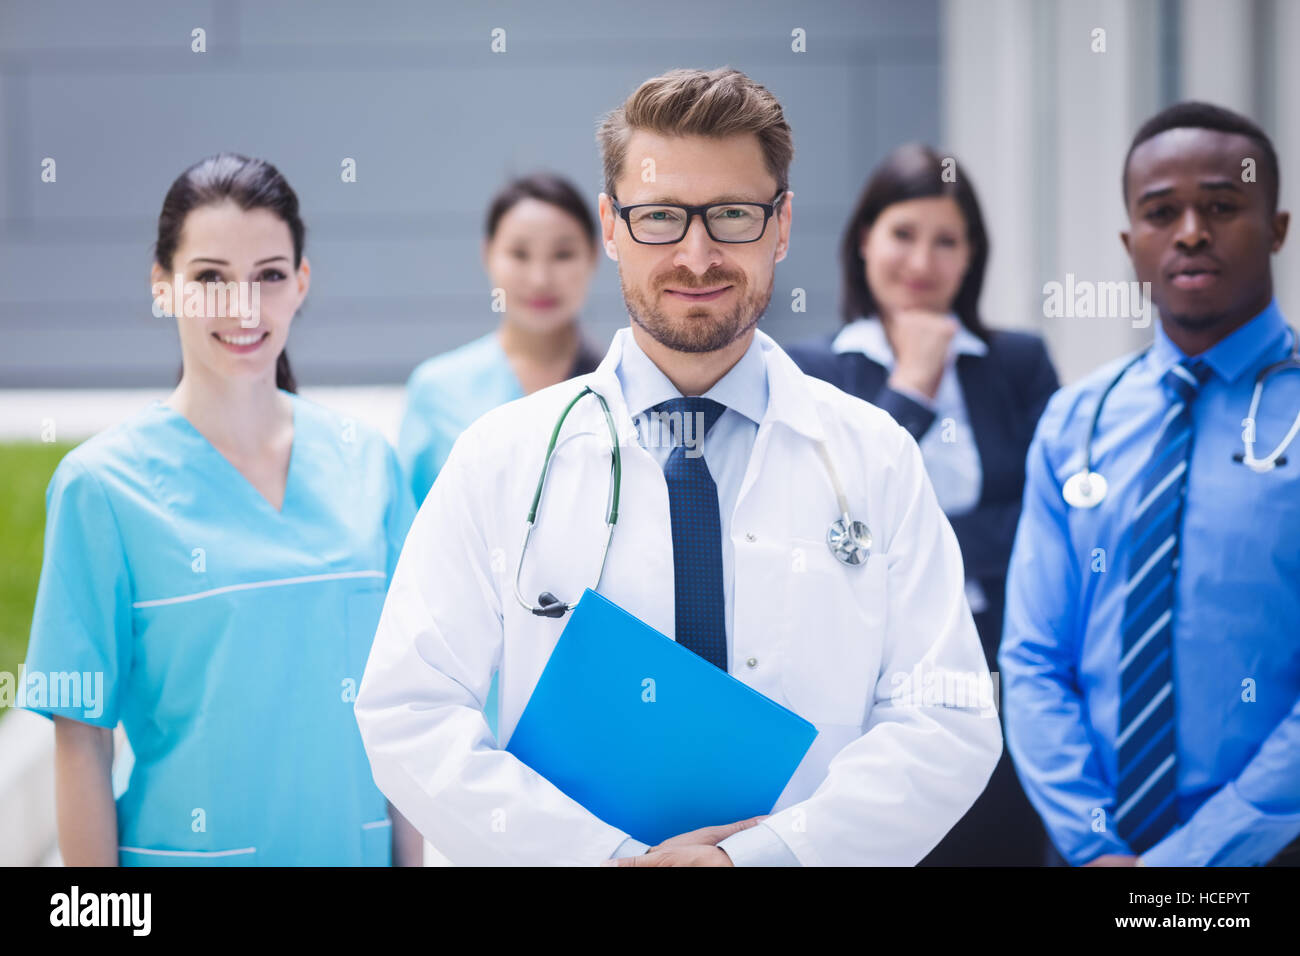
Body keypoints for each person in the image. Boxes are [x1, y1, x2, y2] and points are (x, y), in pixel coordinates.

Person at [355, 67, 1000, 866]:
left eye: (732, 215)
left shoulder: (874, 459)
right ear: (612, 227)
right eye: (661, 217)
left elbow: (948, 713)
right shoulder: (502, 459)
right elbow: (409, 709)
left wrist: (765, 857)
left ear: (782, 224)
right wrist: (612, 859)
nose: (698, 256)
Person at [21, 153, 422, 866]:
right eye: (210, 278)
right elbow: (80, 736)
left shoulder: (370, 465)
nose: (243, 308)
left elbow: (404, 703)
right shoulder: (102, 487)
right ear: (163, 288)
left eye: (269, 276)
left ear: (301, 283)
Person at [1000, 102, 1300, 867]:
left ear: (1277, 228)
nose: (1191, 231)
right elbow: (1034, 661)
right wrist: (1095, 845)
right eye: (1162, 212)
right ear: (1133, 245)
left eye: (1223, 206)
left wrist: (1186, 865)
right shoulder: (1076, 421)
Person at [785, 144, 1057, 865]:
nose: (922, 260)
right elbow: (828, 524)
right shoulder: (813, 370)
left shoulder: (1019, 364)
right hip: (864, 672)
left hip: (1003, 662)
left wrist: (906, 549)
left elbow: (1049, 526)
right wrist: (912, 383)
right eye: (904, 234)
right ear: (865, 241)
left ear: (972, 257)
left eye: (947, 241)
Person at [397, 173, 604, 743]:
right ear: (490, 257)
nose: (541, 277)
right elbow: (411, 551)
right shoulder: (437, 390)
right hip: (469, 672)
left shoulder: (621, 388)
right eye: (519, 254)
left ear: (596, 254)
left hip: (595, 676)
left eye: (563, 254)